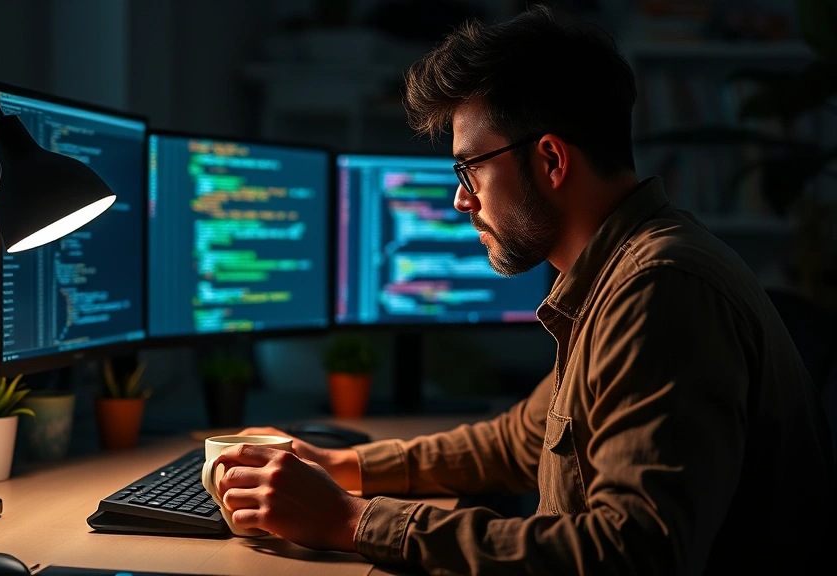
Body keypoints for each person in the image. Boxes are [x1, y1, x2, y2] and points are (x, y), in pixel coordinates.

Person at [214, 5, 836, 574]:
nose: (461, 200)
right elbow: (519, 439)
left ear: (552, 160)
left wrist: (351, 522)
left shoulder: (658, 289)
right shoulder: (611, 274)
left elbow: (635, 553)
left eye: (469, 169)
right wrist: (341, 466)